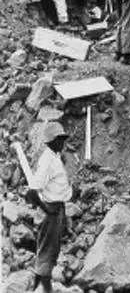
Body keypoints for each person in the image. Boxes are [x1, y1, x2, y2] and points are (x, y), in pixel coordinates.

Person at [26, 122, 72, 293]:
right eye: (59, 139)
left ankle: (37, 285)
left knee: (52, 249)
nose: (62, 142)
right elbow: (31, 192)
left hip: (57, 208)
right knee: (48, 249)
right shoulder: (47, 160)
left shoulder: (55, 157)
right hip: (51, 209)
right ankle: (46, 288)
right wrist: (47, 209)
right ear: (51, 141)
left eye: (62, 139)